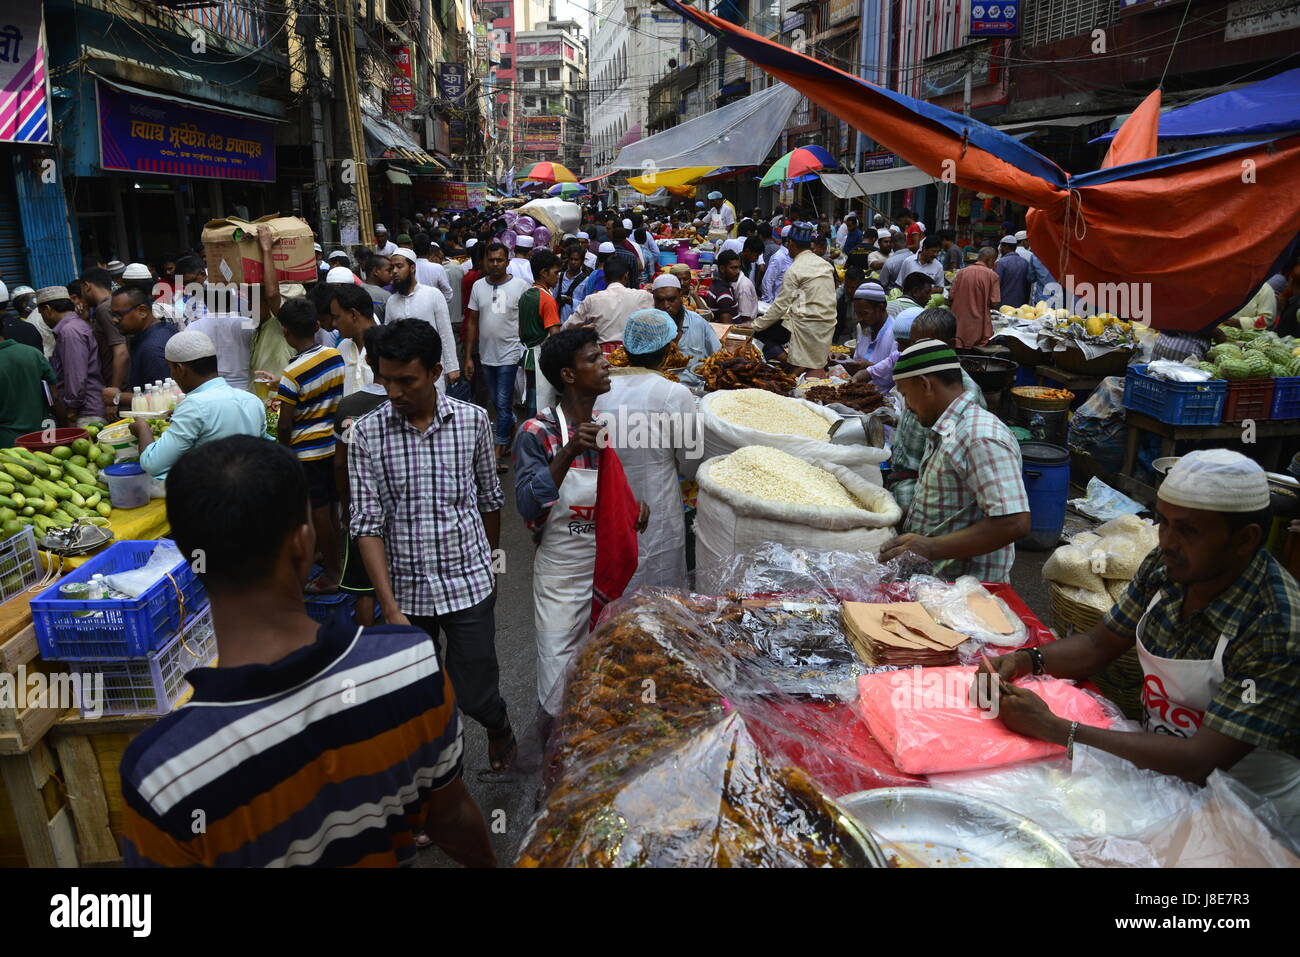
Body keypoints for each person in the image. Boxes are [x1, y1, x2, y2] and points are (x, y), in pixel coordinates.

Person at [120, 435, 496, 868]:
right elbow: (451, 818)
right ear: (303, 544)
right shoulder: (409, 666)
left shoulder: (163, 773)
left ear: (192, 559)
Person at [977, 449, 1300, 834]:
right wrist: (1025, 660)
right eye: (1164, 522)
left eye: (1188, 530)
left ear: (1244, 540)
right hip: (1161, 776)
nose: (1167, 541)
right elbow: (1098, 646)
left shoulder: (1276, 626)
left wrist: (1055, 728)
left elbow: (1202, 759)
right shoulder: (1167, 569)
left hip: (1247, 812)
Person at [348, 319, 515, 773]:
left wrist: (492, 567)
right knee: (420, 700)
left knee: (475, 690)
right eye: (386, 380)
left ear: (436, 372)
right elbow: (366, 525)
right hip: (405, 592)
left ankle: (498, 724)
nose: (395, 392)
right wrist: (389, 606)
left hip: (468, 582)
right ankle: (440, 790)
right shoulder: (365, 434)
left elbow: (489, 500)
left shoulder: (473, 422)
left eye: (407, 380)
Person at [514, 327, 650, 720]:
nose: (606, 363)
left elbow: (605, 492)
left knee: (597, 671)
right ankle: (553, 759)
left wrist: (629, 509)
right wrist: (570, 450)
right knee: (557, 678)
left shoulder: (601, 424)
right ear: (568, 375)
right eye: (593, 358)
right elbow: (527, 507)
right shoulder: (537, 433)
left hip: (599, 568)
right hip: (560, 575)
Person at [880, 339, 1030, 581]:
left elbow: (1014, 522)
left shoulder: (980, 436)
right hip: (939, 584)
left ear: (925, 384)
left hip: (969, 592)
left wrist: (931, 547)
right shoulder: (948, 427)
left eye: (907, 395)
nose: (907, 407)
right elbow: (950, 502)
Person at [594, 309, 699, 591]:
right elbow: (691, 462)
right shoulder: (675, 394)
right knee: (658, 585)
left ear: (627, 347)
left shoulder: (601, 389)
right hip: (658, 499)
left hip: (607, 503)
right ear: (668, 350)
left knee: (615, 581)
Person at [275, 297, 345, 594]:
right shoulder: (334, 355)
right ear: (317, 325)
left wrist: (282, 448)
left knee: (318, 511)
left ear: (285, 331)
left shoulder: (291, 375)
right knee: (331, 509)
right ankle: (333, 557)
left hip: (307, 452)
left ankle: (332, 572)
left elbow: (285, 423)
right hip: (334, 445)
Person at [884, 308, 986, 511]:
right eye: (912, 344)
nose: (913, 352)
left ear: (949, 346)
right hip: (900, 475)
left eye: (924, 346)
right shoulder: (921, 382)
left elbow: (948, 467)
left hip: (917, 489)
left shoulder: (963, 399)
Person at [132, 330, 267, 479]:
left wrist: (143, 428)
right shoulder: (252, 400)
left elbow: (152, 464)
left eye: (171, 369)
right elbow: (265, 446)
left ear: (180, 369)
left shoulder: (193, 406)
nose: (172, 376)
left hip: (212, 493)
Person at [334, 325, 389, 626]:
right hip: (397, 505)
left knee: (363, 587)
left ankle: (367, 649)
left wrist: (346, 506)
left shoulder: (349, 406)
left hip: (360, 507)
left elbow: (340, 465)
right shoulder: (403, 402)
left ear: (368, 361)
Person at [464, 242, 530, 472]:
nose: (494, 264)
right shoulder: (478, 286)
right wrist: (469, 356)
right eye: (490, 260)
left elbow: (527, 320)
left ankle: (498, 450)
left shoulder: (521, 286)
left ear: (507, 261)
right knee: (497, 402)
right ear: (484, 261)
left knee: (502, 402)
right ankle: (511, 430)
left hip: (510, 352)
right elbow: (472, 321)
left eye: (499, 260)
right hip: (486, 354)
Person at [742, 222, 837, 374]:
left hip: (806, 327)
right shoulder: (824, 265)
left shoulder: (794, 270)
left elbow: (780, 307)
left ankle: (794, 369)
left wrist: (754, 326)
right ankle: (795, 367)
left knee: (762, 333)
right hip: (828, 324)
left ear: (791, 243)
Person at [385, 247, 460, 395]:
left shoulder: (433, 294)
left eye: (399, 266)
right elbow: (388, 337)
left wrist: (452, 367)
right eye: (392, 267)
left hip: (431, 368)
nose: (394, 271)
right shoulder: (391, 301)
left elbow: (445, 332)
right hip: (402, 371)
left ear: (412, 268)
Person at [40, 286, 105, 427]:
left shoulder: (69, 332)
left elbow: (76, 376)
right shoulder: (77, 325)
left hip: (86, 412)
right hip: (89, 407)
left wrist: (71, 412)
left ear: (47, 310)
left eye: (41, 313)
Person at [106, 285, 175, 416]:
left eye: (118, 315)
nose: (114, 320)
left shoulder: (152, 349)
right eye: (112, 315)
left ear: (142, 311)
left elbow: (163, 401)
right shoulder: (162, 328)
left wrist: (119, 397)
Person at [0, 318, 64, 446]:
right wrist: (65, 426)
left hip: (8, 444)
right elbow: (54, 397)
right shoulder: (32, 353)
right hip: (44, 435)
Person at [563, 256, 653, 347]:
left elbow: (566, 327)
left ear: (605, 278)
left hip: (602, 355)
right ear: (626, 276)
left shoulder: (592, 299)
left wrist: (583, 330)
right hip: (631, 354)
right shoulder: (642, 296)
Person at [519, 248, 564, 418]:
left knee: (531, 403)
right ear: (544, 273)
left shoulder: (525, 295)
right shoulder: (547, 299)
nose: (557, 276)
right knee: (541, 407)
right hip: (541, 359)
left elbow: (521, 330)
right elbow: (556, 337)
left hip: (528, 357)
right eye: (555, 272)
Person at [75, 269, 130, 406]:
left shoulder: (104, 308)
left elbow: (121, 351)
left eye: (81, 290)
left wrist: (114, 395)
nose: (81, 297)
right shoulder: (110, 304)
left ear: (87, 286)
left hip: (119, 386)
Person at [652, 273, 720, 367]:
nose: (666, 306)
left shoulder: (698, 323)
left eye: (671, 300)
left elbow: (719, 354)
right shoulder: (648, 327)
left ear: (680, 296)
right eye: (660, 300)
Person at [847, 282, 897, 392]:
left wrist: (870, 367)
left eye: (864, 314)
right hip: (860, 391)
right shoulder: (863, 328)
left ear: (881, 308)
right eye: (857, 314)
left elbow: (895, 377)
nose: (859, 319)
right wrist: (843, 361)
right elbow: (856, 366)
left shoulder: (895, 334)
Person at [950, 246, 1001, 348]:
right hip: (978, 327)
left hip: (958, 325)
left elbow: (951, 296)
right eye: (994, 261)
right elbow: (995, 302)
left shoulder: (961, 272)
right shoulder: (993, 276)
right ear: (989, 260)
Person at [711, 249, 759, 324]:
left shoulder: (717, 285)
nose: (737, 272)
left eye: (738, 267)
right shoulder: (724, 294)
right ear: (722, 269)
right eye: (733, 268)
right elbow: (726, 326)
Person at [1014, 230, 1054, 304]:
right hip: (1058, 299)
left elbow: (1031, 278)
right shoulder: (1062, 257)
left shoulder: (1035, 256)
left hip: (1041, 299)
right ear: (1023, 242)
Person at [0, 281, 42, 352]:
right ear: (24, 304)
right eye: (33, 298)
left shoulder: (43, 320)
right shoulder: (28, 327)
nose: (36, 301)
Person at [413, 234, 455, 304]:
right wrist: (437, 305)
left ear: (413, 248)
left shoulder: (408, 267)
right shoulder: (437, 268)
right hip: (432, 309)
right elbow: (448, 293)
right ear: (429, 249)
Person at [556, 244, 592, 322]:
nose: (573, 262)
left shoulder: (586, 280)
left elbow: (587, 303)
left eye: (576, 260)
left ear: (582, 261)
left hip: (575, 321)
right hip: (557, 319)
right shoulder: (559, 276)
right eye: (571, 259)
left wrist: (571, 301)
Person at [995, 235, 1032, 308]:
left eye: (1001, 246)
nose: (1000, 249)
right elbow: (1028, 286)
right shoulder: (1024, 262)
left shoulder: (1001, 263)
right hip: (1020, 305)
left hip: (1003, 304)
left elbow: (996, 285)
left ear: (1006, 247)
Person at [760, 228, 793, 302]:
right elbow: (767, 281)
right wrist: (769, 302)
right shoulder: (779, 257)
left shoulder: (793, 256)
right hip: (778, 304)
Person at [360, 254, 393, 322]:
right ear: (376, 272)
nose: (391, 274)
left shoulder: (357, 289)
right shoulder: (385, 296)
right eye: (388, 271)